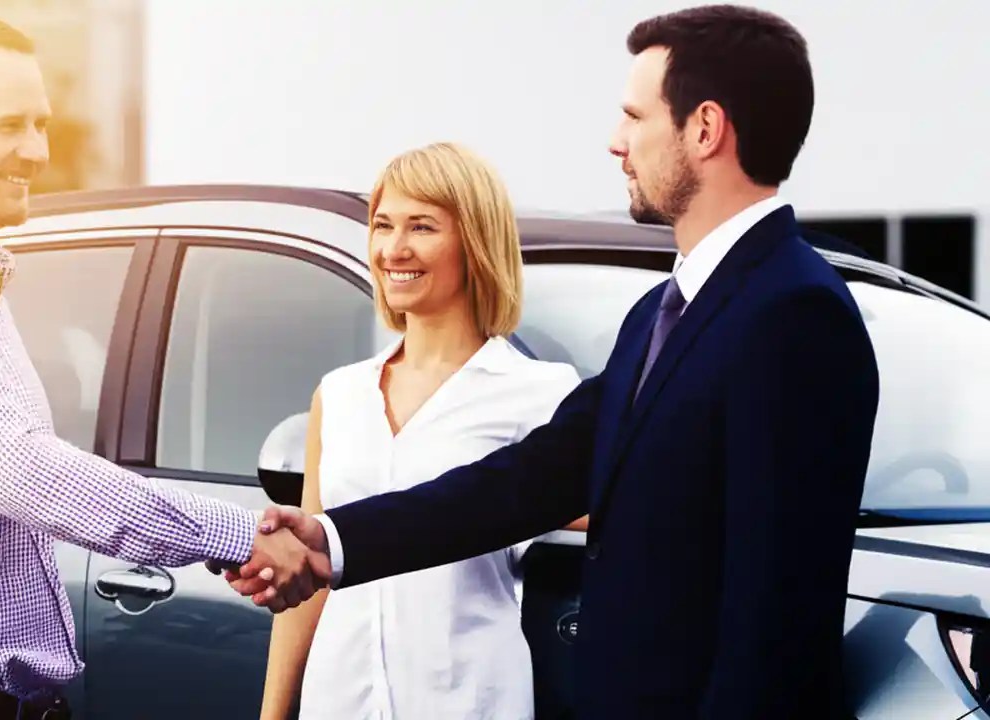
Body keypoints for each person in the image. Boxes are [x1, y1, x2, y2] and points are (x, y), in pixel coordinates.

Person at [231, 5, 880, 719]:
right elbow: (525, 481)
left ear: (704, 128)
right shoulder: (659, 316)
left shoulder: (793, 312)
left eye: (635, 117)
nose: (615, 143)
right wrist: (331, 539)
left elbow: (777, 613)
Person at [0, 12, 321, 720]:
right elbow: (27, 472)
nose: (37, 150)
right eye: (8, 125)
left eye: (42, 124)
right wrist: (236, 534)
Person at [259, 143, 580, 720]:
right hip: (341, 702)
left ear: (475, 241)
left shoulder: (541, 394)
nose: (392, 249)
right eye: (383, 225)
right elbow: (309, 579)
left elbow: (619, 512)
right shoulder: (338, 395)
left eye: (422, 226)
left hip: (469, 702)